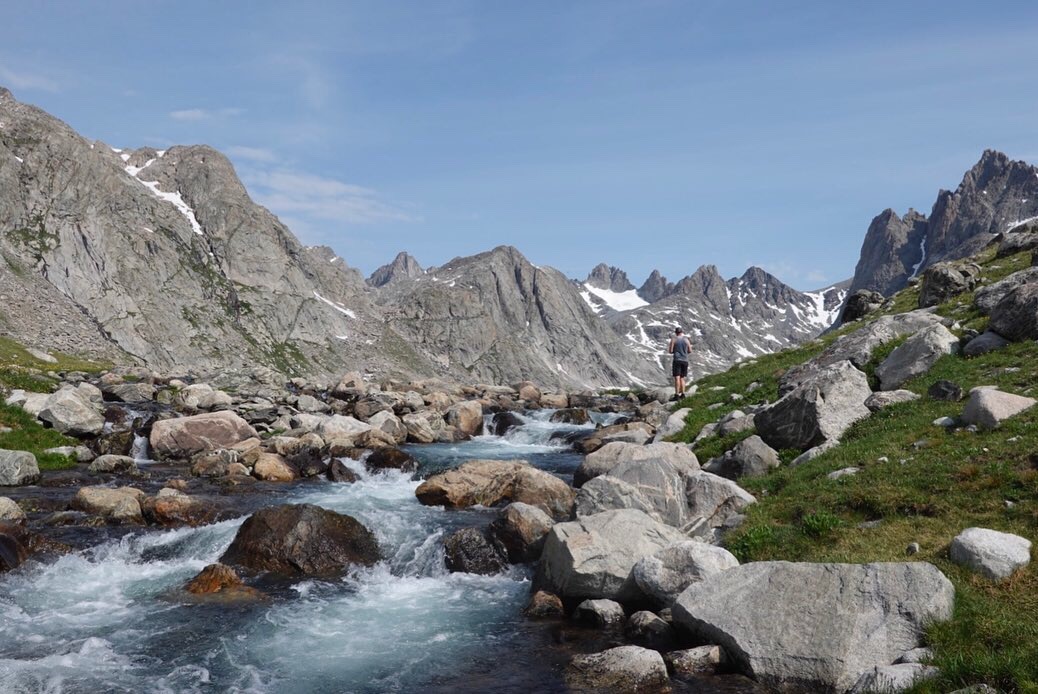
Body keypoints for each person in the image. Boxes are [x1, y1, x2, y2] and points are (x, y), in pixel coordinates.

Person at [667, 327, 692, 400]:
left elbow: (670, 351)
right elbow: (690, 350)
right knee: (682, 378)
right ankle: (683, 394)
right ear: (682, 332)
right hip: (685, 360)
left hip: (677, 360)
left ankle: (677, 395)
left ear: (676, 333)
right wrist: (684, 352)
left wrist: (676, 350)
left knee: (677, 377)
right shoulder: (686, 340)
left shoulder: (674, 339)